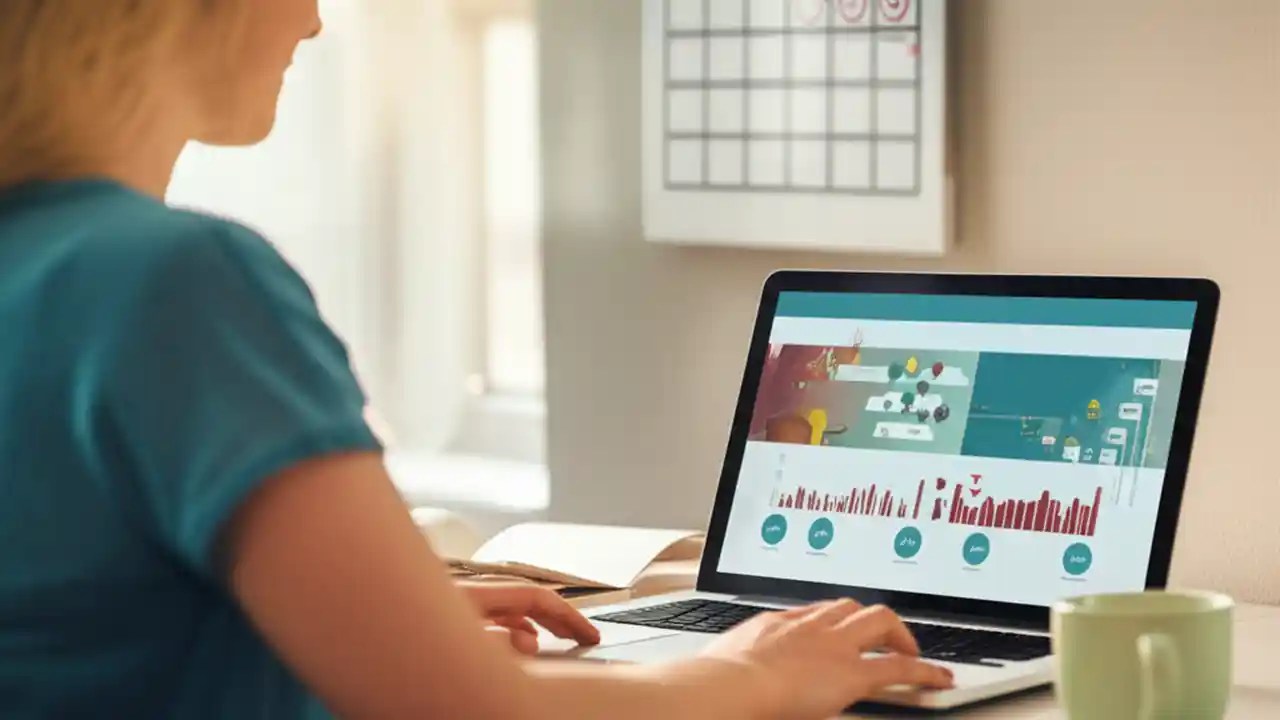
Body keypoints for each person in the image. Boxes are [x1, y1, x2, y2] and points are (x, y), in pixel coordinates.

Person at [0, 2, 953, 718]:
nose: (314, 21)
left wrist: (381, 619)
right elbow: (469, 711)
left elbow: (82, 629)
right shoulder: (176, 280)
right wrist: (751, 673)